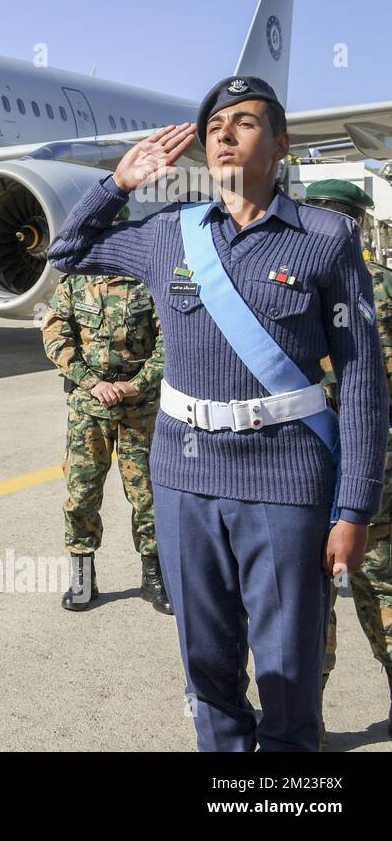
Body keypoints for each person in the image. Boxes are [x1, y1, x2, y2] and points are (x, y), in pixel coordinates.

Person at [45, 77, 388, 751]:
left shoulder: (327, 238)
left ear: (283, 144)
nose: (224, 133)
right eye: (214, 126)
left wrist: (353, 510)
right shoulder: (167, 235)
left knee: (290, 672)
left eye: (245, 122)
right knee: (206, 665)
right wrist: (118, 184)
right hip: (183, 481)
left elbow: (363, 382)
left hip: (286, 484)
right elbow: (66, 252)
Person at [41, 227, 172, 614]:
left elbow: (169, 342)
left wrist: (137, 384)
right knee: (82, 493)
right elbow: (55, 336)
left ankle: (154, 576)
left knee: (148, 496)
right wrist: (90, 382)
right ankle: (83, 577)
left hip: (139, 410)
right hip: (89, 410)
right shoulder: (74, 283)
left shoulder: (148, 285)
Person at [303, 179, 392, 741]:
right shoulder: (384, 286)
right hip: (379, 469)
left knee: (308, 605)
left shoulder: (287, 285)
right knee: (383, 588)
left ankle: (301, 726)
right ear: (358, 222)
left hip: (304, 470)